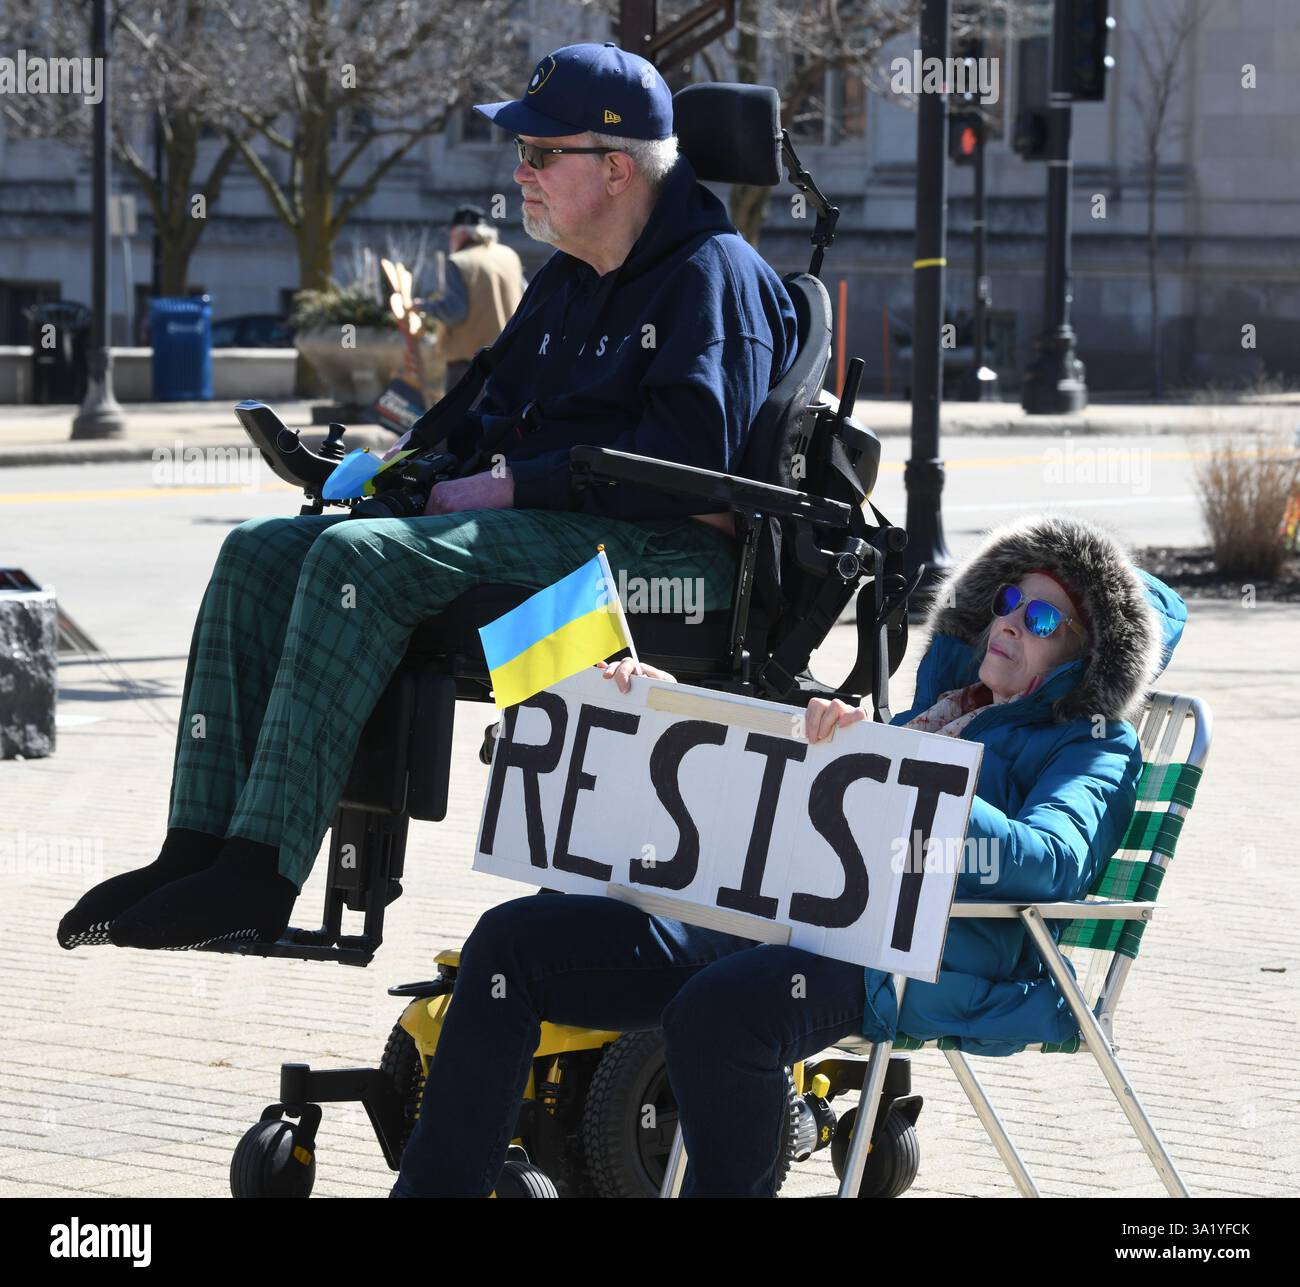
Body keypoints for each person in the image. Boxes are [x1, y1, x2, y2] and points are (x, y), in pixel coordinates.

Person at [56, 42, 797, 953]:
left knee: (359, 564)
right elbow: (481, 402)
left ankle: (259, 873)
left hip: (671, 572)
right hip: (560, 532)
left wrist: (510, 483)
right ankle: (197, 845)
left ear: (614, 168)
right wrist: (398, 464)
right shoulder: (570, 277)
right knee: (258, 550)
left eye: (538, 154)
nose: (516, 174)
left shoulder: (711, 276)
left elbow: (689, 463)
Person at [388, 513, 1188, 1198]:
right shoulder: (941, 711)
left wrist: (913, 780)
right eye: (1010, 602)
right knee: (511, 944)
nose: (1012, 621)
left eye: (1044, 620)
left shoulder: (1093, 745)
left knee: (718, 1011)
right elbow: (778, 789)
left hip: (907, 956)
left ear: (1084, 659)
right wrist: (659, 708)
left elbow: (1050, 861)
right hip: (780, 916)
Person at [419, 205, 527, 392]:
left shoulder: (459, 261)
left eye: (451, 233)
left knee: (458, 420)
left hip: (468, 363)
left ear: (461, 233)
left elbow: (455, 312)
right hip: (508, 359)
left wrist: (424, 307)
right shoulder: (509, 256)